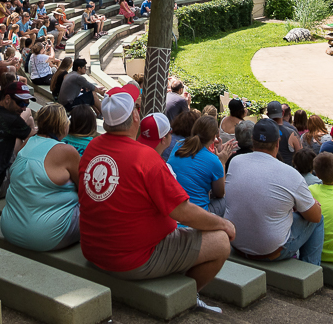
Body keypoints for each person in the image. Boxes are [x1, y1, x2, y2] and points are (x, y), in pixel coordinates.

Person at [76, 91, 235, 313]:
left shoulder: (92, 148)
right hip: (134, 259)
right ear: (134, 117)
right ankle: (188, 296)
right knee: (220, 242)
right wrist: (223, 224)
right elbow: (183, 211)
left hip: (94, 251)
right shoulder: (145, 157)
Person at [226, 118, 323, 265]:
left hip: (235, 242)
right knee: (318, 217)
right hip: (271, 251)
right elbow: (315, 217)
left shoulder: (235, 161)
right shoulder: (290, 174)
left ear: (253, 140)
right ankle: (311, 268)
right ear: (278, 143)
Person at [1, 103, 82, 251]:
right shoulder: (66, 151)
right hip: (46, 236)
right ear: (63, 125)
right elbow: (84, 189)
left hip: (9, 228)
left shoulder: (28, 141)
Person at [167, 115, 234, 215]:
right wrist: (222, 162)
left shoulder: (179, 145)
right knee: (225, 200)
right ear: (213, 137)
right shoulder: (214, 161)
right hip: (197, 215)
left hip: (174, 208)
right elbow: (220, 193)